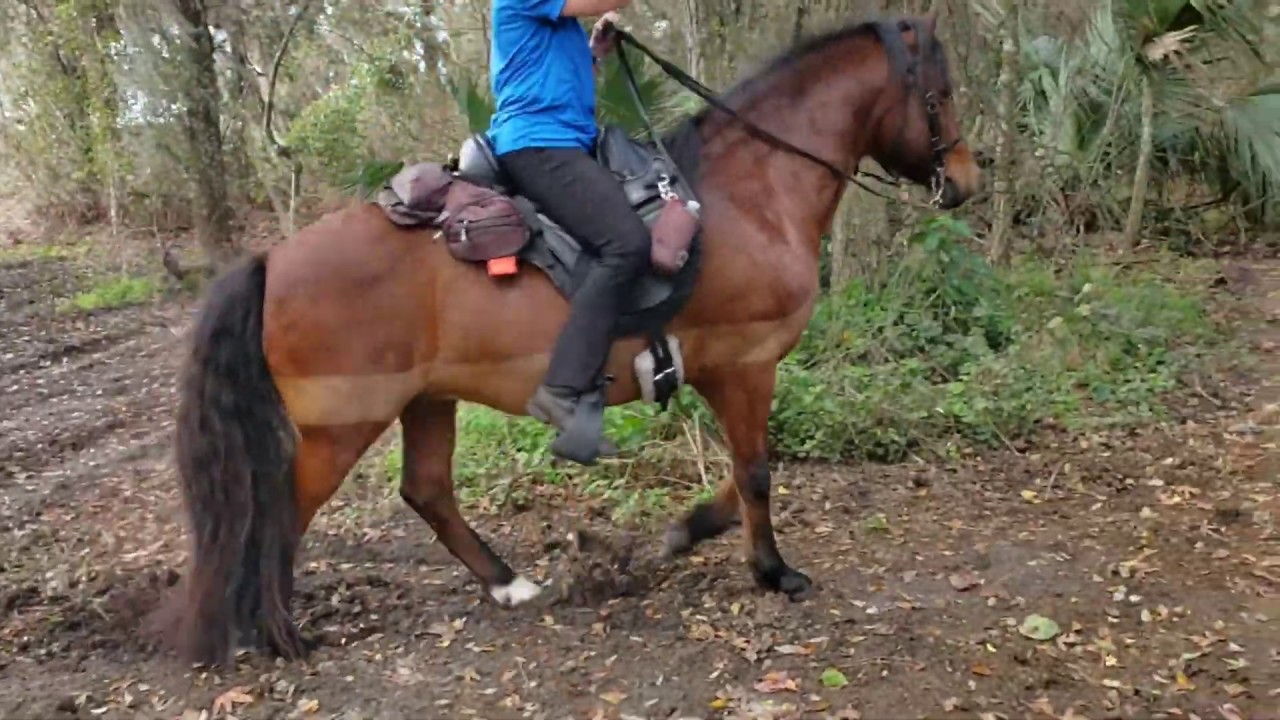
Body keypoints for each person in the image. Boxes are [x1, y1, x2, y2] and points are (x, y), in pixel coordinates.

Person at [486, 0, 650, 439]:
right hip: (540, 143)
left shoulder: (555, 19)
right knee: (626, 245)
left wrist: (594, 53)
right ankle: (561, 389)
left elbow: (555, 75)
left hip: (568, 141)